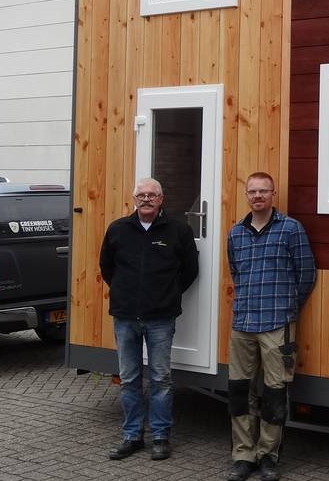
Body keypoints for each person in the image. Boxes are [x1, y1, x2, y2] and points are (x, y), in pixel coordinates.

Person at [99, 177, 199, 462]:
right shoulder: (118, 229)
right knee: (129, 379)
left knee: (161, 379)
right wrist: (124, 292)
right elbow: (107, 267)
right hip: (125, 317)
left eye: (151, 195)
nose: (146, 199)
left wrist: (168, 295)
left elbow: (190, 269)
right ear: (133, 199)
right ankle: (132, 436)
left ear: (161, 199)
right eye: (141, 194)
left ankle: (160, 437)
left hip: (160, 319)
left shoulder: (178, 230)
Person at [225, 172, 316, 481]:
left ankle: (268, 456)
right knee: (240, 392)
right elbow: (236, 273)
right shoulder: (236, 233)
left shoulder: (290, 229)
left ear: (273, 194)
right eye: (252, 191)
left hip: (278, 323)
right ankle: (243, 455)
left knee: (275, 394)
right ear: (246, 195)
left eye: (263, 190)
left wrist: (288, 307)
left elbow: (306, 275)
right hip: (243, 323)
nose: (258, 196)